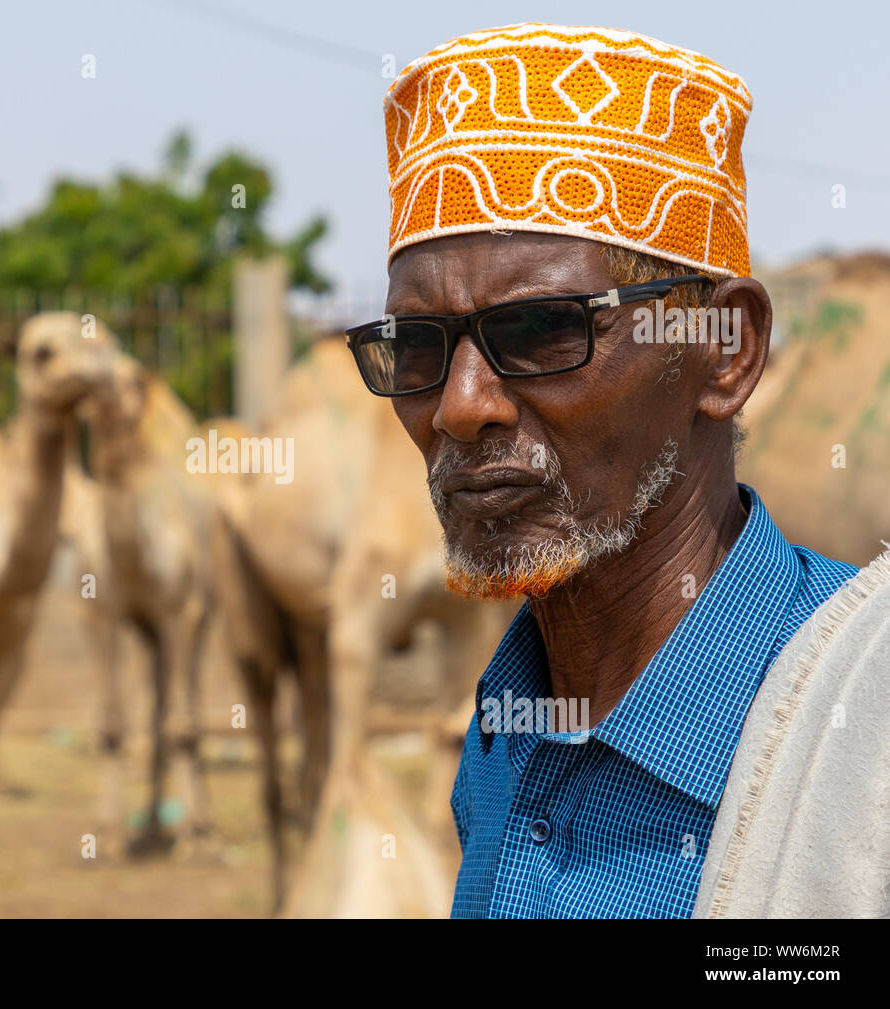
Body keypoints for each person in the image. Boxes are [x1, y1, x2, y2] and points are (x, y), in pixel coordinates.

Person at [346, 23, 887, 918]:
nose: (459, 405)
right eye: (417, 348)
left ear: (724, 349)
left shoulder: (863, 729)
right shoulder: (508, 726)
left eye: (544, 329)